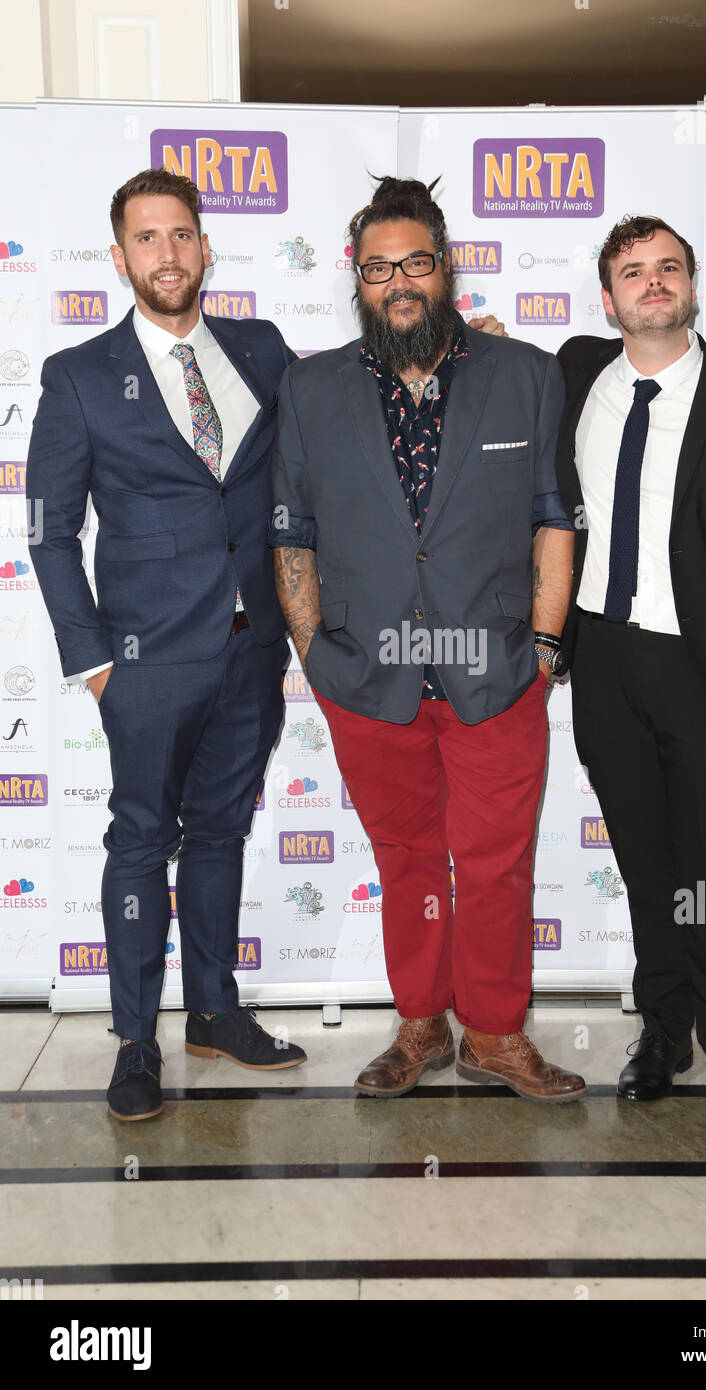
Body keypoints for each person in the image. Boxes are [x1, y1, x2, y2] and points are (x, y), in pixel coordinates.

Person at [270, 176, 585, 1102]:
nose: (397, 281)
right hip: (368, 681)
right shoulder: (311, 385)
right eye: (377, 267)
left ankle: (495, 1032)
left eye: (414, 262)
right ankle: (420, 1024)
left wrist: (546, 648)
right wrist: (315, 656)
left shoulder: (524, 374)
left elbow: (553, 521)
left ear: (445, 267)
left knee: (495, 863)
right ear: (355, 278)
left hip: (495, 675)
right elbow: (293, 529)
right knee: (406, 860)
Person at [26, 168, 306, 1121]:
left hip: (252, 645)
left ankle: (215, 1011)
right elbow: (48, 529)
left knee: (222, 828)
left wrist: (458, 354)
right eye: (146, 239)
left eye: (182, 235)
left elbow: (335, 424)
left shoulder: (263, 349)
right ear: (119, 257)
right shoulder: (78, 375)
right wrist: (92, 658)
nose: (168, 254)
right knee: (144, 840)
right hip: (143, 658)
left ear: (206, 247)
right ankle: (138, 1038)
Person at [555, 214, 706, 1135]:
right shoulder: (576, 373)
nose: (651, 283)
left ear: (692, 285)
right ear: (609, 296)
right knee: (644, 864)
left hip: (705, 668)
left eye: (667, 268)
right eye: (632, 271)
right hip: (603, 655)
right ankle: (663, 1035)